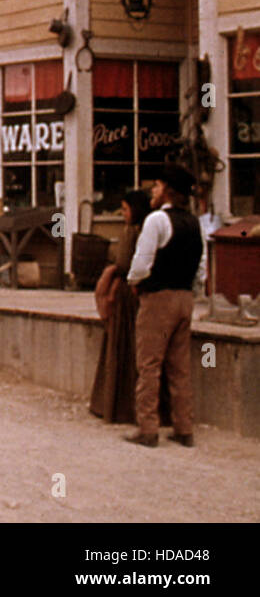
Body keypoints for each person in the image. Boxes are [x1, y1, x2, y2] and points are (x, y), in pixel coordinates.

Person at [125, 163, 204, 448]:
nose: (152, 192)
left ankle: (147, 427)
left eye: (157, 186)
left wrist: (135, 281)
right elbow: (201, 267)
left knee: (149, 364)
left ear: (168, 190)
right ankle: (184, 428)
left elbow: (141, 263)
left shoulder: (156, 220)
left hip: (158, 297)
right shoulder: (195, 222)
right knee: (180, 367)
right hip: (185, 298)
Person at [90, 189, 154, 424]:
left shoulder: (132, 232)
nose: (123, 214)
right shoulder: (147, 229)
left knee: (122, 349)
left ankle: (118, 406)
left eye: (126, 209)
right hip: (141, 293)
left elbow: (124, 262)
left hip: (128, 296)